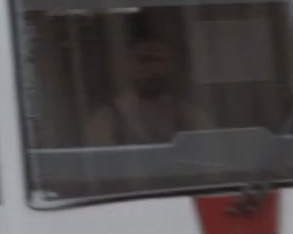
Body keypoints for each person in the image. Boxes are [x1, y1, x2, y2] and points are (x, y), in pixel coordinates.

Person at [83, 14, 214, 147]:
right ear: (126, 65)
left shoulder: (192, 118)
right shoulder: (105, 122)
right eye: (143, 60)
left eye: (159, 60)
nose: (153, 69)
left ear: (172, 64)